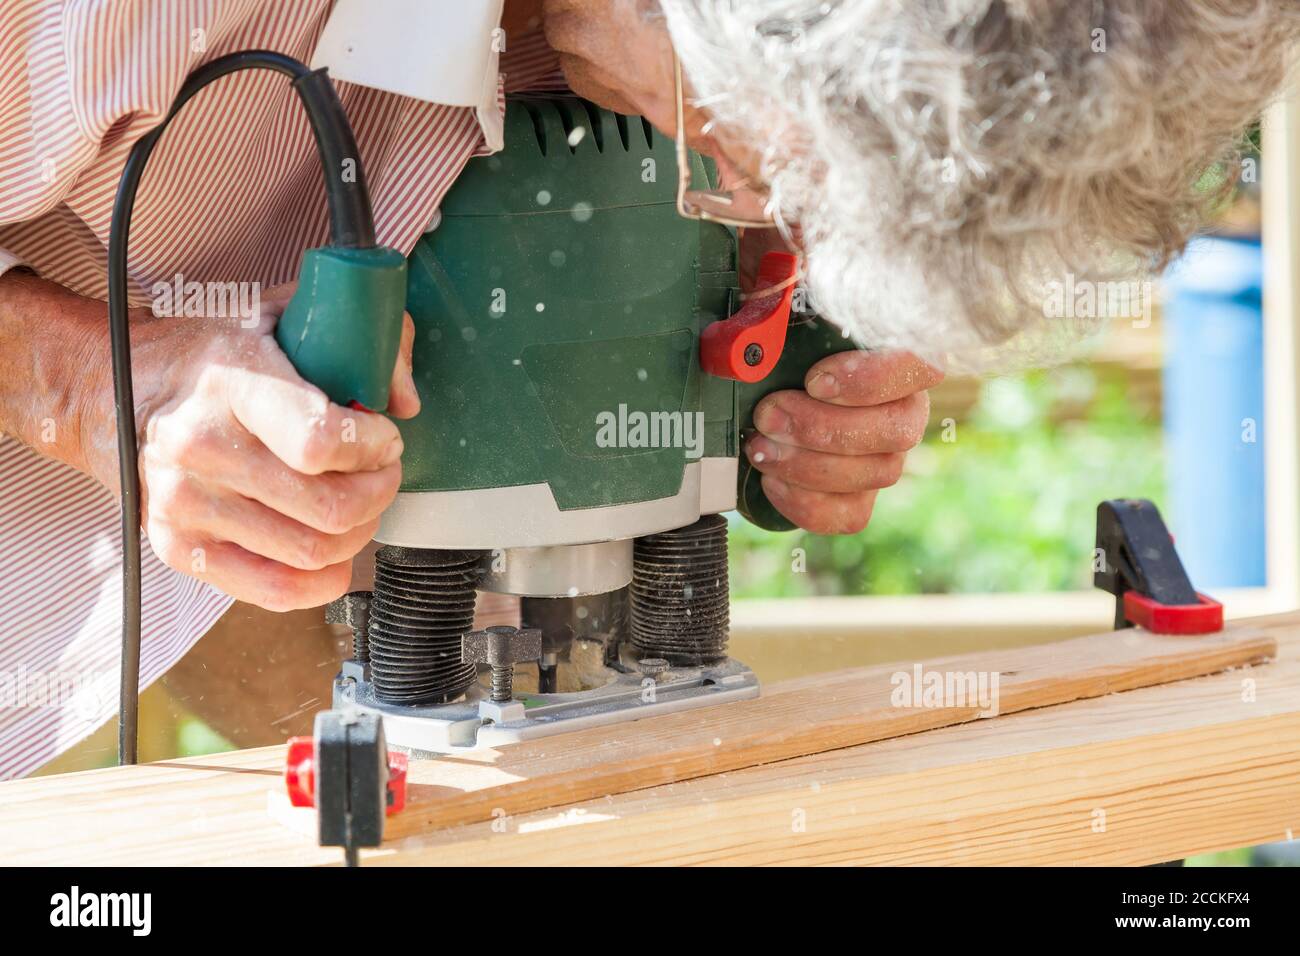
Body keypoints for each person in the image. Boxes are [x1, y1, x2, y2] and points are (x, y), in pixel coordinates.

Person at [0, 0, 1295, 776]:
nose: (737, 197)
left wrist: (805, 354)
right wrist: (90, 384)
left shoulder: (780, 56)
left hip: (318, 584)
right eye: (745, 156)